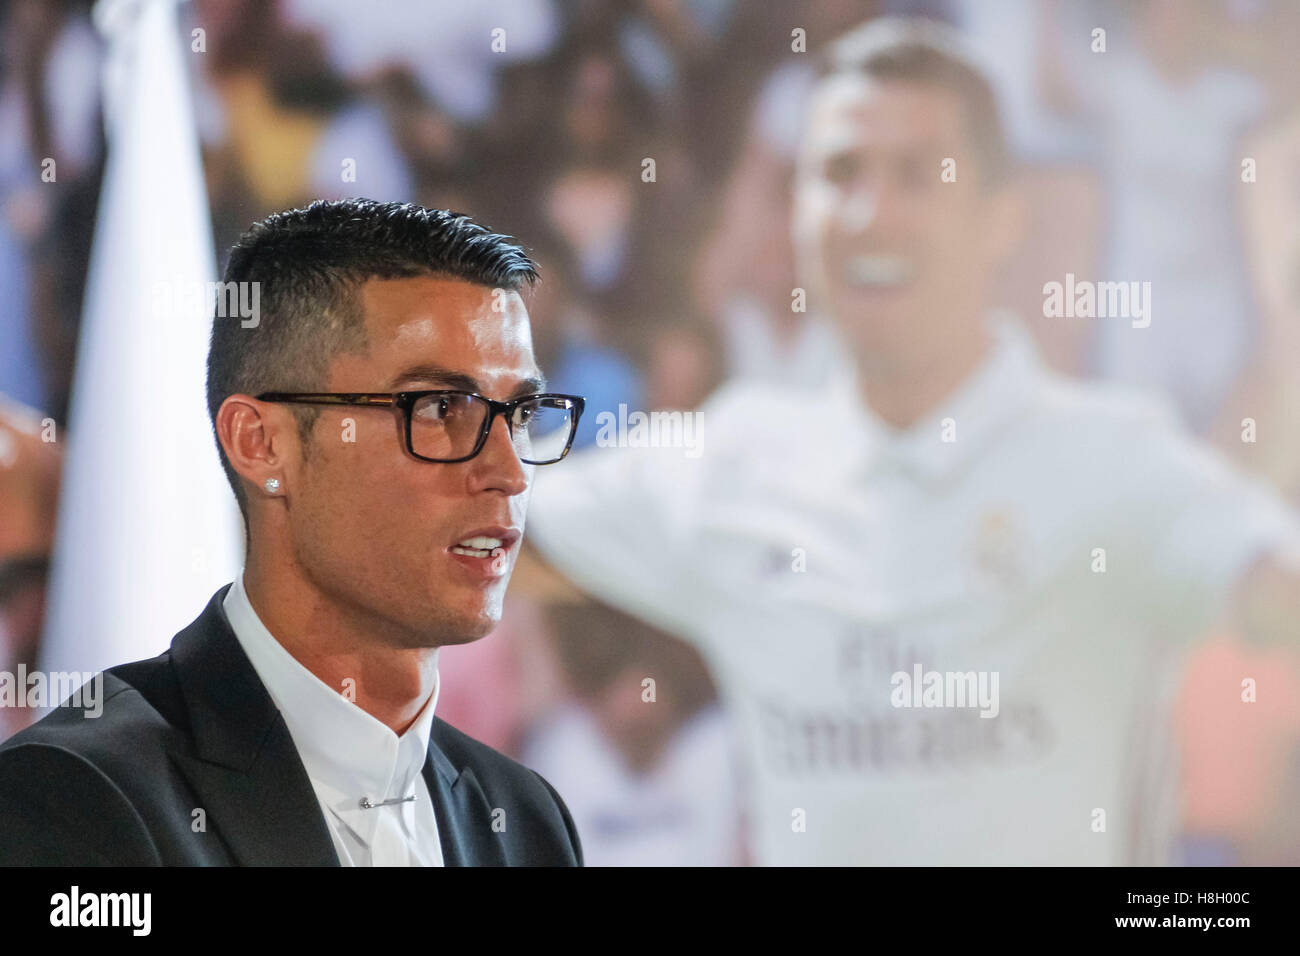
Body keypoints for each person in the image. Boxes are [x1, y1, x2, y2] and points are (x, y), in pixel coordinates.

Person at [517, 17, 1300, 865]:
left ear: (1003, 220)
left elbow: (1275, 588)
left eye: (919, 175)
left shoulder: (1115, 464)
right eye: (838, 172)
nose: (870, 213)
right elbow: (471, 530)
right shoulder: (731, 467)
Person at [0, 199, 585, 866]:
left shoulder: (526, 821)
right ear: (262, 443)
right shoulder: (80, 799)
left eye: (524, 412)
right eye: (440, 407)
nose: (509, 471)